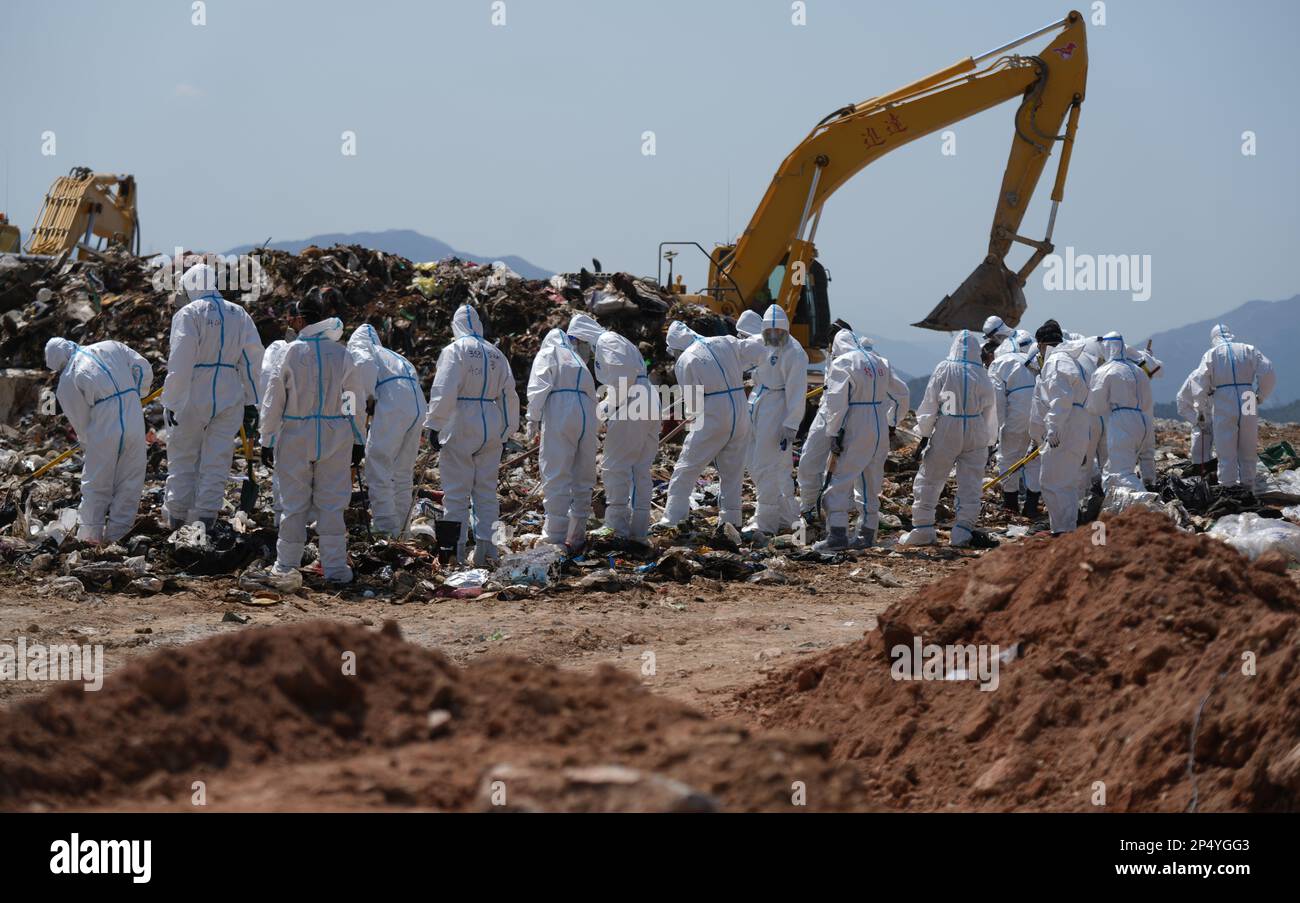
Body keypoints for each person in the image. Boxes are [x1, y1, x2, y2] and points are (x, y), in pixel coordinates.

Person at [259, 302, 366, 589]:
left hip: (296, 433)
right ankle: (336, 571)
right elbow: (353, 399)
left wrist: (267, 439)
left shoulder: (290, 352)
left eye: (291, 318)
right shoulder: (341, 353)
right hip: (335, 434)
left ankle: (286, 567)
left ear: (301, 319)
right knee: (332, 505)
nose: (289, 323)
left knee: (293, 505)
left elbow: (274, 399)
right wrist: (358, 437)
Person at [161, 263, 263, 527]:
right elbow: (253, 360)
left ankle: (177, 518)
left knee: (183, 456)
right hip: (230, 393)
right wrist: (253, 401)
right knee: (217, 458)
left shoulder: (188, 314)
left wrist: (171, 401)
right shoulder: (239, 314)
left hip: (193, 393)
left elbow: (181, 362)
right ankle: (206, 518)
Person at [424, 304, 519, 565]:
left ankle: (454, 553)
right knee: (486, 491)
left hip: (461, 420)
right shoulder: (497, 354)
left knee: (456, 493)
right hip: (490, 418)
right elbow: (509, 395)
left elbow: (444, 388)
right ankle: (487, 551)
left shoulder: (455, 350)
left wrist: (435, 423)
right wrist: (506, 430)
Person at [44, 337, 153, 545]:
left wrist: (89, 444)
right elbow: (142, 367)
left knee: (96, 483)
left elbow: (80, 421)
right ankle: (119, 536)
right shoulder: (111, 345)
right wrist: (136, 394)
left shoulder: (67, 380)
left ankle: (89, 537)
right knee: (131, 478)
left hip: (104, 424)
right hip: (133, 415)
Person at [656, 321, 763, 530]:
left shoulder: (686, 359)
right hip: (740, 408)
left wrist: (692, 417)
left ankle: (672, 519)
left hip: (714, 413)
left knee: (686, 468)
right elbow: (754, 350)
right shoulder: (725, 341)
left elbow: (693, 402)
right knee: (732, 472)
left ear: (677, 347)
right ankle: (731, 524)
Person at [899, 330, 997, 548]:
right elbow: (990, 408)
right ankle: (962, 531)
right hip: (975, 426)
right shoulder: (981, 373)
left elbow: (931, 402)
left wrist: (924, 433)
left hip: (947, 426)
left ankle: (923, 528)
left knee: (930, 478)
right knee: (970, 484)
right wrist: (990, 440)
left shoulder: (944, 368)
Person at [568, 313, 658, 548]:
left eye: (577, 343)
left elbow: (622, 379)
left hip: (633, 400)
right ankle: (638, 531)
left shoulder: (607, 341)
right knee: (639, 467)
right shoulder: (613, 341)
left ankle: (616, 527)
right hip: (644, 397)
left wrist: (605, 408)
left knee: (615, 465)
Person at [813, 331, 898, 550]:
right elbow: (902, 393)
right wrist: (892, 421)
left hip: (856, 424)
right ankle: (867, 535)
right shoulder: (880, 361)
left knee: (838, 480)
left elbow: (836, 402)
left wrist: (833, 432)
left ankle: (838, 535)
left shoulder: (843, 363)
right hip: (878, 422)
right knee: (870, 482)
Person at [347, 324, 428, 537]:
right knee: (402, 471)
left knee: (378, 466)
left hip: (393, 405)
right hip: (417, 407)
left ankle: (386, 528)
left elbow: (363, 364)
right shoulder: (396, 357)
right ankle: (403, 528)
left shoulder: (362, 348)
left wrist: (368, 397)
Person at [527, 322, 599, 553]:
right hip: (586, 415)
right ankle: (576, 537)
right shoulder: (579, 362)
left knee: (557, 473)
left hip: (561, 409)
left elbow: (538, 387)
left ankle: (554, 538)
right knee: (582, 477)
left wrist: (532, 419)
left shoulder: (547, 353)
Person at [743, 305, 808, 538]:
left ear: (785, 330)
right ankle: (787, 516)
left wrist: (791, 424)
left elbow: (797, 392)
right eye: (767, 331)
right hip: (759, 402)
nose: (772, 336)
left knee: (766, 464)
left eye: (776, 332)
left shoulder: (795, 353)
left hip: (776, 407)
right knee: (766, 463)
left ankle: (765, 522)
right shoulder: (765, 345)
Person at [1189, 325, 1274, 489]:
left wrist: (1200, 407)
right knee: (1248, 443)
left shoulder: (1211, 354)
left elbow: (1199, 380)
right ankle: (1248, 486)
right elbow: (1268, 371)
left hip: (1223, 396)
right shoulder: (1248, 349)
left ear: (1214, 339)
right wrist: (1260, 395)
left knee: (1226, 445)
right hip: (1248, 395)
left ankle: (1228, 486)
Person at [1029, 322, 1092, 534]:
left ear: (1042, 344)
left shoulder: (1055, 362)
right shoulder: (1073, 361)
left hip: (1065, 424)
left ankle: (1063, 530)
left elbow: (1060, 399)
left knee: (1052, 481)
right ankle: (1067, 527)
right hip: (1079, 422)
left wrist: (1053, 428)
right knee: (1067, 481)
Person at [1086, 332, 1153, 494]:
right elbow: (1147, 401)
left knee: (1122, 473)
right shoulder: (1138, 371)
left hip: (1122, 423)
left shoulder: (1106, 371)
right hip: (1142, 421)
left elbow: (1095, 406)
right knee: (1113, 469)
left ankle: (1149, 502)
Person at [988, 330, 1040, 516]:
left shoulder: (998, 364)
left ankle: (1010, 504)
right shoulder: (1030, 359)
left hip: (1016, 417)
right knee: (1035, 458)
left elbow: (997, 401)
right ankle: (1032, 505)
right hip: (1039, 414)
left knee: (1009, 456)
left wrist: (994, 434)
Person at [1176, 370, 1214, 477]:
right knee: (1199, 451)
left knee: (1227, 451)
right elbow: (1181, 402)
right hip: (1203, 419)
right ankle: (1201, 476)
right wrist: (1196, 420)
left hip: (1221, 417)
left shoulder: (1222, 375)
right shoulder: (1194, 378)